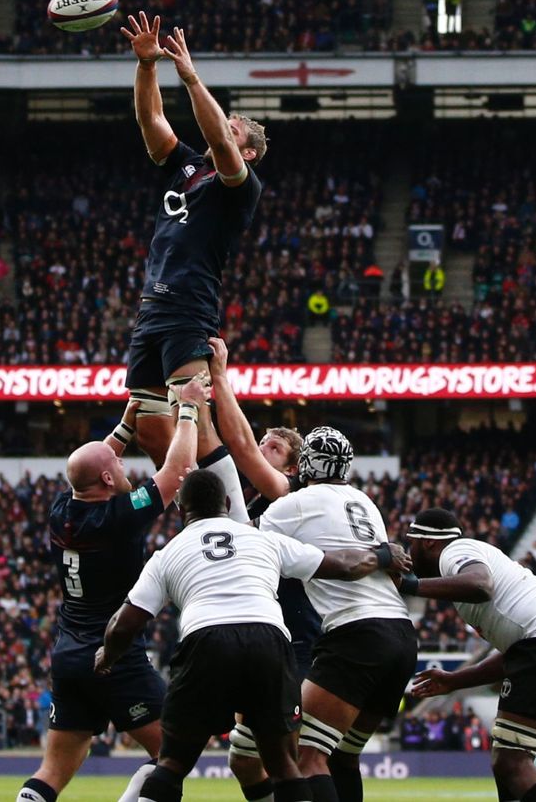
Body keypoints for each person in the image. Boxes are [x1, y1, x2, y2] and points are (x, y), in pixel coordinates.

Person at [96, 470, 411, 802]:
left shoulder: (168, 554)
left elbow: (124, 625)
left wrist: (108, 656)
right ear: (228, 504)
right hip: (269, 641)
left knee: (172, 764)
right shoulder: (263, 539)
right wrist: (383, 555)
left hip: (206, 643)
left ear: (180, 510)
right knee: (285, 765)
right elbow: (343, 565)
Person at [16, 385, 207, 802]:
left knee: (53, 771)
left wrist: (125, 425)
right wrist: (189, 407)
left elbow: (90, 465)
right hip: (114, 656)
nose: (122, 465)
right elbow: (177, 473)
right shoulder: (118, 517)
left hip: (68, 656)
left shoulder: (61, 510)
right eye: (117, 464)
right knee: (174, 750)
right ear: (106, 479)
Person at [119, 10, 268, 467]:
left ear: (247, 152)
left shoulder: (238, 185)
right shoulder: (187, 166)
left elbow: (221, 138)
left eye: (235, 130)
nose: (226, 131)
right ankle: (192, 503)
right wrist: (147, 66)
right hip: (152, 309)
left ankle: (229, 512)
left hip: (188, 309)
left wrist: (190, 78)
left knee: (195, 417)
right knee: (148, 428)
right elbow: (151, 122)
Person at [258, 426, 417, 802]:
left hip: (356, 633)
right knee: (343, 756)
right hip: (401, 635)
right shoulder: (365, 501)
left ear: (305, 464)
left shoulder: (294, 504)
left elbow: (250, 542)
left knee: (305, 754)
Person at [404, 508, 536, 802]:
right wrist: (455, 680)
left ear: (428, 542)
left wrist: (409, 586)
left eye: (412, 542)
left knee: (510, 762)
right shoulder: (463, 569)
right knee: (508, 765)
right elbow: (515, 655)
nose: (409, 551)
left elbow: (480, 585)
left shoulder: (454, 552)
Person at [204, 337, 317, 801]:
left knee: (286, 756)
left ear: (291, 466)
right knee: (242, 760)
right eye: (265, 442)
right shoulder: (250, 506)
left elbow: (239, 447)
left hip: (299, 640)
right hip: (264, 635)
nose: (262, 447)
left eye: (273, 447)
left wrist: (220, 378)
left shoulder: (287, 494)